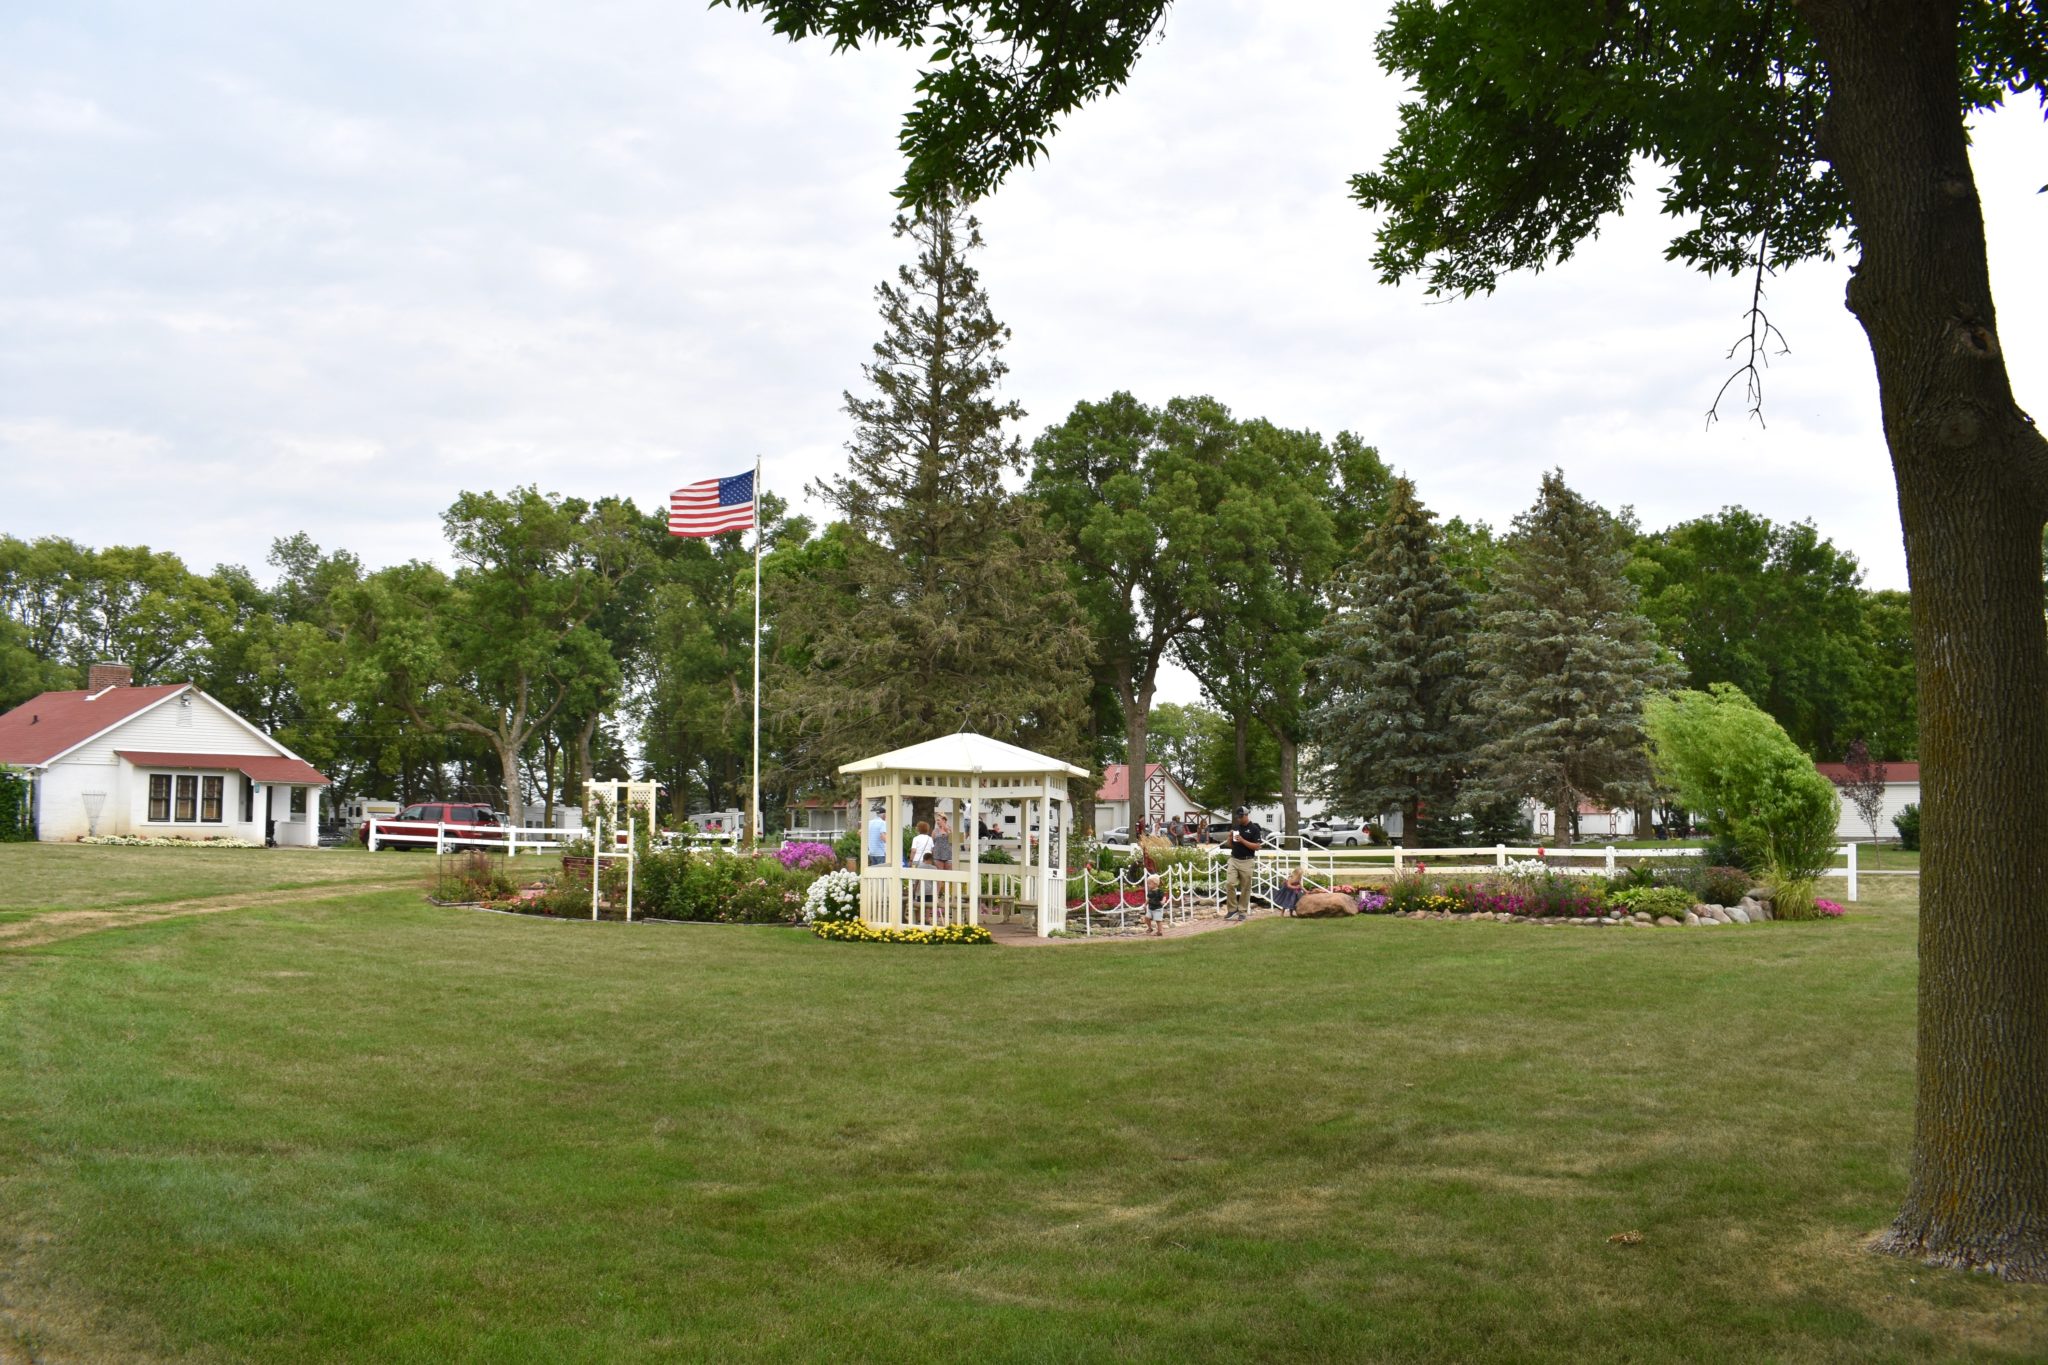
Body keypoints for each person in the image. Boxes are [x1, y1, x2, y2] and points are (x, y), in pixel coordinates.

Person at [1224, 805, 1263, 920]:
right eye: (1238, 817)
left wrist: (1242, 840)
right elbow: (1231, 845)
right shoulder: (1236, 827)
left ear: (1246, 815)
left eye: (1241, 817)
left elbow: (1257, 846)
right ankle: (1232, 909)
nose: (1239, 819)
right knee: (1230, 883)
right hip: (1234, 859)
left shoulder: (1255, 829)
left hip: (1247, 861)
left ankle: (1242, 911)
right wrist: (1229, 838)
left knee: (1245, 887)